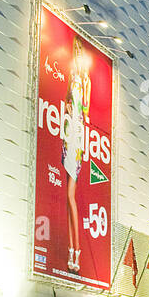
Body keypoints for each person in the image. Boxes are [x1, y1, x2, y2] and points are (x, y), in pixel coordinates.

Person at [62, 35, 92, 275]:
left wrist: (77, 107)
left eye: (80, 52)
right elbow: (70, 107)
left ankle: (77, 253)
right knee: (66, 196)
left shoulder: (85, 82)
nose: (78, 56)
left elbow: (85, 111)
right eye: (76, 52)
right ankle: (73, 252)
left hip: (78, 140)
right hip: (69, 134)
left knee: (70, 195)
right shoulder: (72, 79)